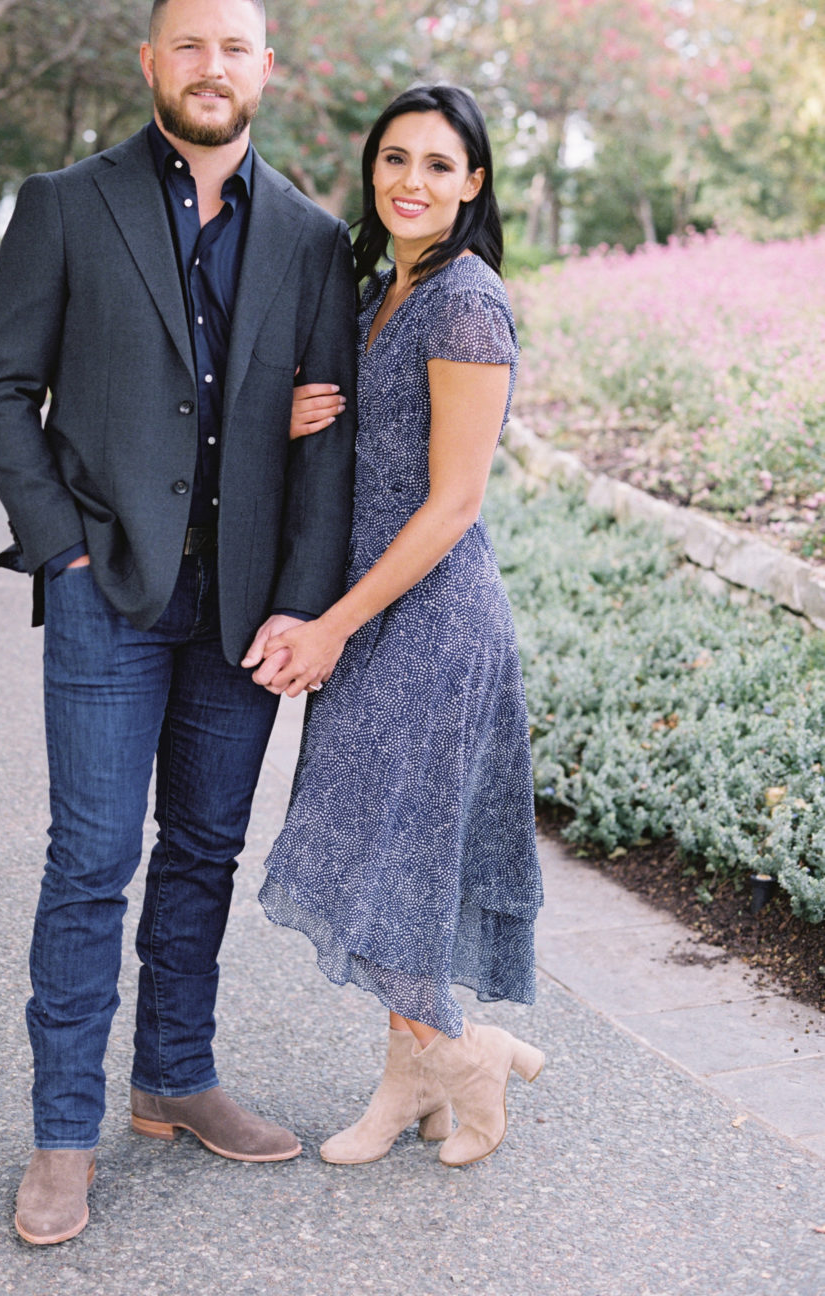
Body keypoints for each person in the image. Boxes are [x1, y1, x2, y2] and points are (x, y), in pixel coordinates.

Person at [0, 0, 357, 1243]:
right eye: (188, 45)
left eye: (233, 47)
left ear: (265, 68)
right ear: (150, 63)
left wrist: (301, 605)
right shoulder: (65, 205)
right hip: (106, 590)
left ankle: (176, 1076)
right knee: (91, 863)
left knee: (203, 850)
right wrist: (60, 550)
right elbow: (1, 386)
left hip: (243, 608)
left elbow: (327, 446)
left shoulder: (312, 238)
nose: (210, 67)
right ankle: (61, 1135)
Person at [250, 83, 545, 1168]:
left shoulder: (465, 300)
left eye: (437, 164)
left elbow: (454, 502)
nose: (410, 181)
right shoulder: (381, 286)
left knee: (369, 847)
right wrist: (292, 416)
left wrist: (331, 624)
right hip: (373, 615)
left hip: (430, 622)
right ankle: (419, 1075)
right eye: (394, 158)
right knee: (391, 860)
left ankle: (462, 1058)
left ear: (473, 184)